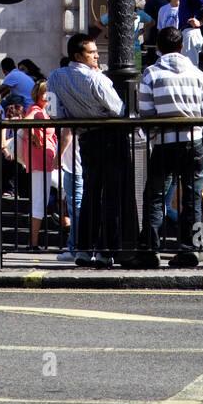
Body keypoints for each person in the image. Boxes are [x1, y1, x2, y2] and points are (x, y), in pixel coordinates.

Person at [47, 33, 134, 268]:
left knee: (90, 195)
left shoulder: (55, 77)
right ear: (78, 56)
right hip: (110, 137)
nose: (96, 56)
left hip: (86, 138)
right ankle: (106, 251)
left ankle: (84, 250)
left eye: (96, 51)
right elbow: (118, 109)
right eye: (91, 52)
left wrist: (74, 118)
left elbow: (54, 111)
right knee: (111, 196)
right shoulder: (96, 78)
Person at [136, 25, 203, 268]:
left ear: (158, 48)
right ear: (181, 46)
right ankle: (193, 247)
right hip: (193, 142)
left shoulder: (150, 74)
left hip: (164, 144)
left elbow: (146, 114)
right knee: (192, 198)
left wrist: (156, 133)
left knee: (155, 197)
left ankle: (150, 249)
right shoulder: (198, 75)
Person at [18, 81, 57, 249]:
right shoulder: (35, 109)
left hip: (47, 159)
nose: (47, 96)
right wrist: (33, 132)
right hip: (40, 159)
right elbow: (26, 121)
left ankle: (62, 217)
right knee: (40, 201)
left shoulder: (45, 111)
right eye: (44, 92)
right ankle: (33, 243)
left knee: (48, 195)